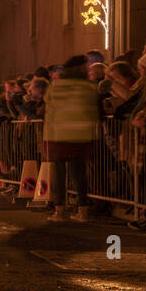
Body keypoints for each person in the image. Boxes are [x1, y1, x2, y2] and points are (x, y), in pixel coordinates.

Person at [43, 55, 99, 222]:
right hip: (81, 136)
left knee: (59, 175)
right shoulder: (89, 87)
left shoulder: (56, 87)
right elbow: (93, 110)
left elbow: (49, 108)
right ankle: (83, 212)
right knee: (79, 175)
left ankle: (59, 212)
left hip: (58, 136)